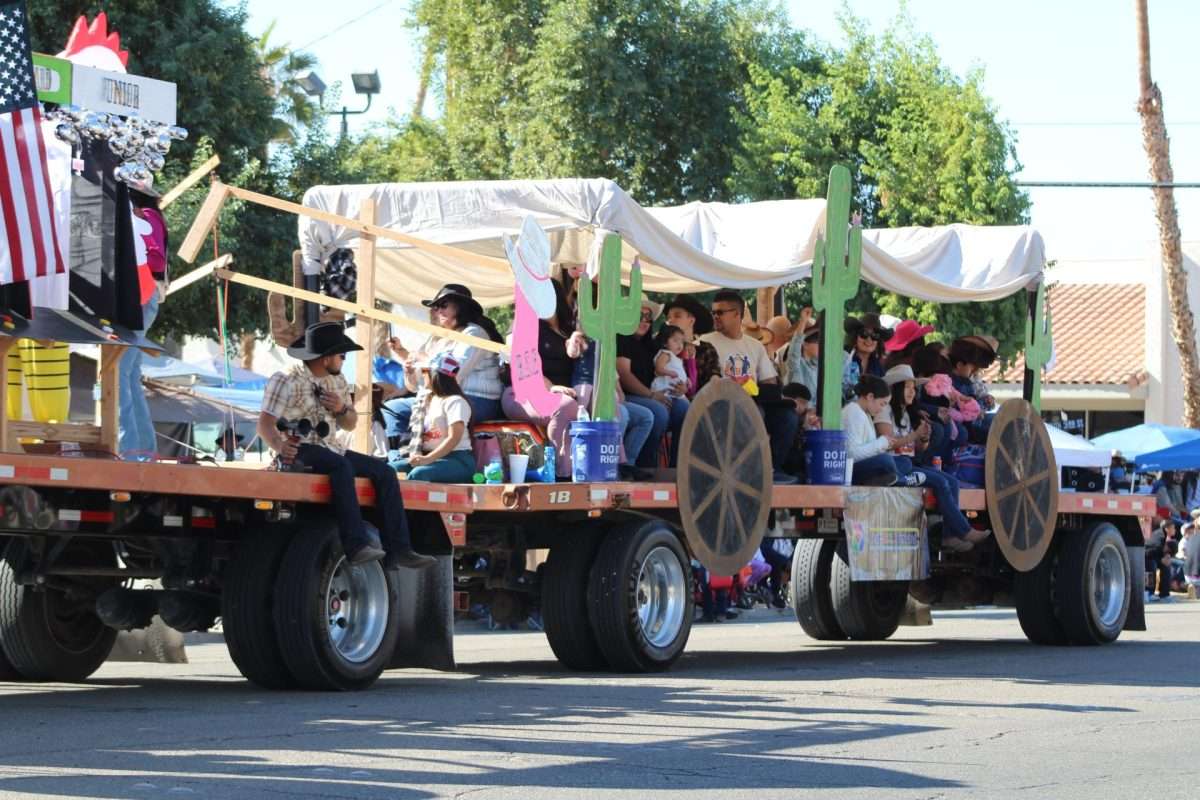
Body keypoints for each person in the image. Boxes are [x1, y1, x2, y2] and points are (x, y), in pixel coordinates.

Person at [258, 322, 435, 569]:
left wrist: (341, 408)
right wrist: (279, 446)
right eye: (342, 355)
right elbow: (265, 424)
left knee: (384, 472)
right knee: (340, 466)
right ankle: (355, 545)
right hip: (298, 448)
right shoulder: (286, 378)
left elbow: (350, 424)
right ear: (327, 357)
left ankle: (400, 550)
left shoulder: (338, 380)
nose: (344, 360)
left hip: (330, 447)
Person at [874, 365, 991, 553]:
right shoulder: (884, 411)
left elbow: (916, 448)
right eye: (908, 387)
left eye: (914, 388)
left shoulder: (907, 413)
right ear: (896, 389)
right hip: (893, 467)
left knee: (951, 481)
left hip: (907, 463)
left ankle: (950, 536)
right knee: (940, 482)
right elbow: (887, 444)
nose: (913, 392)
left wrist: (923, 439)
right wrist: (914, 436)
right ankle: (965, 531)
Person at [382, 284, 504, 449]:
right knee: (391, 409)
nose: (437, 310)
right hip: (441, 398)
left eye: (443, 305)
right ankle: (399, 455)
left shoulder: (475, 333)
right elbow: (414, 386)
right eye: (435, 307)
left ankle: (424, 454)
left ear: (460, 308)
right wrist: (409, 369)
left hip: (477, 399)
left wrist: (422, 359)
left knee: (439, 412)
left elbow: (453, 373)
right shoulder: (435, 339)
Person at [701, 290, 799, 485]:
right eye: (713, 312)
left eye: (720, 312)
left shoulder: (754, 346)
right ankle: (748, 469)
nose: (715, 317)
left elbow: (769, 381)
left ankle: (773, 469)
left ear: (737, 314)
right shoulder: (704, 341)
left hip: (753, 400)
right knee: (756, 413)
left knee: (788, 417)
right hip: (720, 403)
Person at [501, 278, 580, 479]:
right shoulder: (522, 326)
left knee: (623, 412)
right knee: (564, 406)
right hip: (523, 393)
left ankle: (618, 468)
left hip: (568, 393)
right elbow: (522, 365)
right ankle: (561, 472)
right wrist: (551, 388)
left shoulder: (569, 329)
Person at [118, 178, 168, 460]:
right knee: (129, 373)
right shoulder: (153, 216)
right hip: (147, 295)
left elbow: (152, 260)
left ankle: (129, 448)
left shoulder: (143, 217)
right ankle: (142, 449)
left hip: (139, 294)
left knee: (118, 373)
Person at [618, 296, 690, 467]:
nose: (645, 321)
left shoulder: (651, 345)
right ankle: (645, 465)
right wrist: (651, 395)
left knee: (684, 407)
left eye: (648, 318)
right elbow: (624, 375)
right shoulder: (621, 339)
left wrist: (681, 388)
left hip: (652, 394)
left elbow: (671, 361)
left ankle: (676, 467)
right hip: (625, 396)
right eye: (639, 316)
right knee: (659, 412)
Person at [390, 353, 477, 483]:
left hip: (458, 460)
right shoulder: (428, 398)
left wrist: (428, 459)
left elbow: (454, 438)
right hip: (433, 457)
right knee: (391, 469)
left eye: (424, 371)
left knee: (419, 474)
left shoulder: (455, 401)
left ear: (434, 375)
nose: (422, 375)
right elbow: (412, 386)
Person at [841, 375, 925, 489]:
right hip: (849, 470)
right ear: (870, 396)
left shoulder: (866, 414)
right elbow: (852, 454)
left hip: (864, 465)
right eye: (882, 404)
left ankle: (888, 479)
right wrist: (881, 443)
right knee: (885, 460)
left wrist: (882, 445)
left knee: (904, 461)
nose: (882, 409)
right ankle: (902, 481)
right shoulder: (854, 412)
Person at [663, 294, 722, 398]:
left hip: (703, 404)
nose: (671, 320)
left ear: (691, 321)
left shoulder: (706, 349)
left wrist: (715, 382)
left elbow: (714, 375)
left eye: (677, 316)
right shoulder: (664, 346)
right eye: (669, 318)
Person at [842, 313, 891, 404]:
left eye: (874, 336)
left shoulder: (878, 367)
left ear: (878, 341)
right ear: (855, 336)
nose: (869, 340)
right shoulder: (843, 358)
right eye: (864, 334)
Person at [786, 319, 821, 407]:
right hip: (799, 416)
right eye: (817, 341)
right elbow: (794, 354)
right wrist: (803, 321)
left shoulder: (820, 367)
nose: (822, 345)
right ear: (804, 344)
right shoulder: (797, 365)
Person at [651, 324, 690, 397]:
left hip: (675, 391)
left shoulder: (677, 359)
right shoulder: (666, 354)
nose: (679, 344)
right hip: (663, 388)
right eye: (675, 340)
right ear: (665, 343)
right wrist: (669, 373)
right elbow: (658, 369)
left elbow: (680, 372)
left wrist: (686, 379)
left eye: (681, 341)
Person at [1145, 518, 1178, 602]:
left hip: (1153, 556)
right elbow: (1149, 552)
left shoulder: (1162, 535)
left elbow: (1160, 550)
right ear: (1167, 528)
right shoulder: (1159, 537)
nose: (1175, 530)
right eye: (1173, 528)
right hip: (1147, 557)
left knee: (1166, 567)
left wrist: (1165, 556)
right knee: (1152, 565)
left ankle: (1164, 594)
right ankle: (1148, 592)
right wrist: (1161, 559)